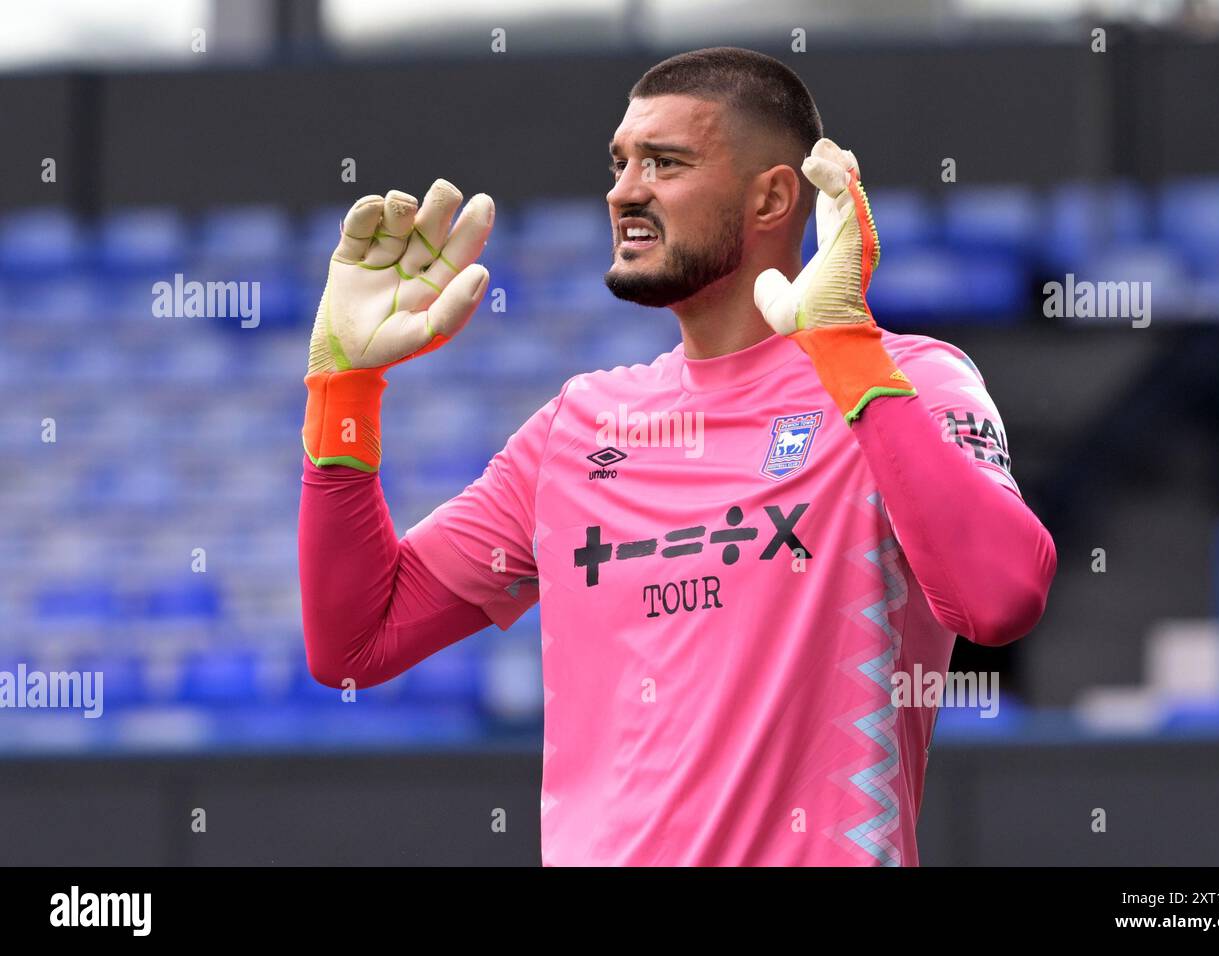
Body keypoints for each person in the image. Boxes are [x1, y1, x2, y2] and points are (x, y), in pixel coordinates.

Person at [298, 46, 1057, 866]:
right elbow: (356, 643)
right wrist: (344, 387)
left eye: (665, 162)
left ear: (771, 195)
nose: (624, 189)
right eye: (620, 163)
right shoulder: (576, 427)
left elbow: (1001, 598)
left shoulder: (905, 380)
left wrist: (845, 350)